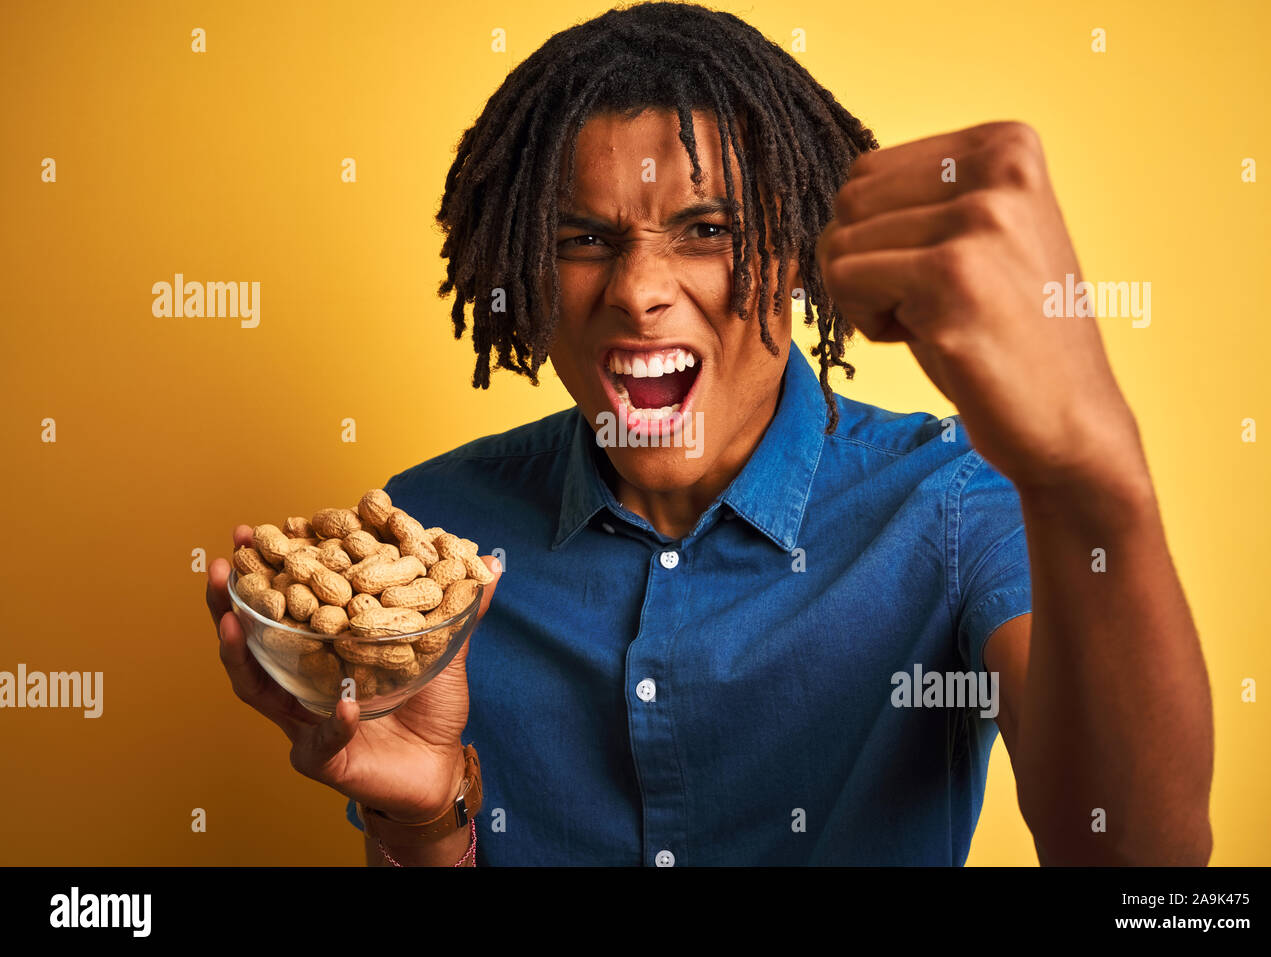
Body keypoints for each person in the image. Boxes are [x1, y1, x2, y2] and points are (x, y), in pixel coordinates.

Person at [205, 1, 1213, 866]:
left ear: (799, 252)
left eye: (708, 231)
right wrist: (427, 822)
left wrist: (1091, 479)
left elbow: (1137, 862)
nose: (641, 291)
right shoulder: (433, 548)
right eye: (584, 242)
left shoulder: (953, 505)